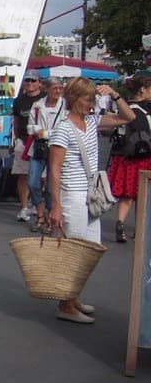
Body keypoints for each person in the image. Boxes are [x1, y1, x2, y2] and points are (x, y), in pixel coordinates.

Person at [47, 79, 133, 323]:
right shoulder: (63, 128)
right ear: (74, 99)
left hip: (90, 193)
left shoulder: (92, 121)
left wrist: (114, 94)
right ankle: (65, 304)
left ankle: (73, 298)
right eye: (88, 100)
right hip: (72, 195)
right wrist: (56, 205)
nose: (92, 104)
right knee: (74, 251)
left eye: (93, 100)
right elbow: (54, 169)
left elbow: (127, 117)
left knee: (90, 250)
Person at [108, 74, 151, 243]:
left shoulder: (125, 107)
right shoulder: (144, 110)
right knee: (143, 195)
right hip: (144, 156)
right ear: (142, 90)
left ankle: (120, 222)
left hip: (127, 156)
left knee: (127, 195)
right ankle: (140, 227)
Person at [26, 77, 65, 234]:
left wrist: (46, 133)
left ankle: (50, 217)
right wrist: (37, 131)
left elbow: (66, 128)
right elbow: (29, 127)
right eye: (55, 88)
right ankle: (40, 213)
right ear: (47, 89)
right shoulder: (38, 105)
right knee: (32, 182)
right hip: (40, 147)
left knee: (51, 186)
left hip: (57, 147)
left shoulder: (65, 106)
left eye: (60, 88)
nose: (57, 91)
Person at [12, 69, 46, 222]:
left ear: (39, 83)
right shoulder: (19, 100)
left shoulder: (44, 99)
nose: (30, 83)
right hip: (23, 140)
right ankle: (24, 207)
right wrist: (15, 138)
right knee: (23, 175)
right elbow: (16, 120)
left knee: (42, 177)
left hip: (41, 140)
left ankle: (36, 202)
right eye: (27, 80)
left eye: (33, 81)